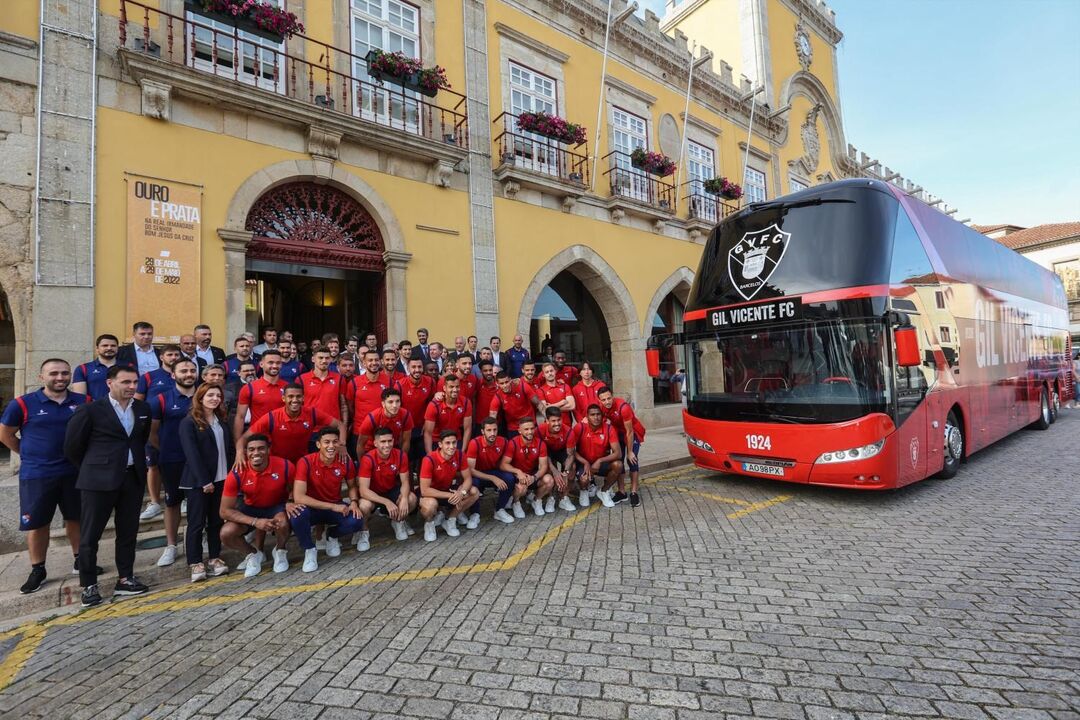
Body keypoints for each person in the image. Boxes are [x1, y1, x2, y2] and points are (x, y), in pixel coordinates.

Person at [63, 365, 152, 608]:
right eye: (126, 382)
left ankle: (125, 578)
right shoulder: (90, 410)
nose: (132, 387)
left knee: (128, 532)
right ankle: (89, 585)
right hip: (97, 481)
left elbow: (139, 440)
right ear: (110, 383)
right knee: (90, 535)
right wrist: (94, 467)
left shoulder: (143, 409)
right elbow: (72, 447)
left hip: (132, 479)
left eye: (135, 382)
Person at [0, 359, 90, 594]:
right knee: (38, 523)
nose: (60, 378)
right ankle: (38, 569)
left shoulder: (83, 402)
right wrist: (28, 454)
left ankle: (80, 560)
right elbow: (6, 435)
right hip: (38, 474)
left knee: (76, 518)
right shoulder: (22, 404)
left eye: (64, 373)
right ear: (42, 377)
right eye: (54, 374)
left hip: (74, 473)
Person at [178, 382, 234, 582]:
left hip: (221, 479)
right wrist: (204, 481)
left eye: (218, 395)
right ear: (200, 397)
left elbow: (228, 449)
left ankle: (214, 557)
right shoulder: (189, 422)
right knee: (196, 523)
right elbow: (192, 455)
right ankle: (195, 562)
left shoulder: (222, 420)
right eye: (210, 395)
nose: (215, 399)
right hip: (198, 482)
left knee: (216, 521)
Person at [290, 428, 366, 572]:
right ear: (318, 444)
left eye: (335, 442)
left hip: (335, 504)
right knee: (297, 515)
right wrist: (332, 506)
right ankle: (310, 549)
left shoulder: (345, 461)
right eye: (326, 442)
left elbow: (351, 486)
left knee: (357, 520)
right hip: (312, 507)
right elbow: (299, 497)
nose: (331, 446)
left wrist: (354, 502)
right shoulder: (305, 462)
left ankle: (331, 535)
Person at [220, 434, 294, 577]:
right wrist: (255, 521)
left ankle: (280, 550)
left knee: (283, 522)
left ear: (268, 450)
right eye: (251, 449)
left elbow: (295, 489)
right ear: (246, 452)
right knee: (226, 533)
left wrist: (290, 502)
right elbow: (224, 511)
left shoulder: (285, 466)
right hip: (251, 509)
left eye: (261, 448)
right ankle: (253, 555)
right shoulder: (237, 472)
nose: (256, 453)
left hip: (276, 506)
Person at [148, 358, 198, 568]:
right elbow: (152, 433)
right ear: (173, 374)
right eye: (184, 370)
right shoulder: (160, 400)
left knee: (200, 503)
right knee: (172, 503)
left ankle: (198, 540)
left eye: (192, 370)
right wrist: (168, 450)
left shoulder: (204, 396)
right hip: (172, 459)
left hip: (201, 461)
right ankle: (171, 545)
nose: (188, 374)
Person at [236, 384, 346, 465]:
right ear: (284, 398)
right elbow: (244, 438)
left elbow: (340, 425)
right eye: (291, 397)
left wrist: (341, 445)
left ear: (303, 398)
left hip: (302, 463)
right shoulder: (271, 417)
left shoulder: (312, 413)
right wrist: (240, 452)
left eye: (298, 397)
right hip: (278, 464)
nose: (295, 400)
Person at [357, 427, 416, 546]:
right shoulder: (368, 459)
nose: (387, 445)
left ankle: (398, 521)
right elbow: (363, 491)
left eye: (389, 441)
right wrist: (387, 502)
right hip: (373, 493)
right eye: (383, 442)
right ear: (375, 443)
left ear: (394, 441)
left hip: (390, 490)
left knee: (411, 499)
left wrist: (404, 498)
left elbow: (405, 482)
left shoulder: (400, 455)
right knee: (364, 505)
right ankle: (363, 531)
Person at [418, 431, 478, 542]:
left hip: (448, 489)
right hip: (432, 494)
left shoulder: (459, 454)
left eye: (454, 443)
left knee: (474, 491)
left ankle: (450, 519)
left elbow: (468, 478)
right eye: (448, 443)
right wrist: (452, 495)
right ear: (440, 444)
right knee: (430, 505)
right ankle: (429, 524)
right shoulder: (429, 459)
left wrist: (461, 493)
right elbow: (425, 490)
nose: (452, 446)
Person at [598, 387, 647, 507]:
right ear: (599, 400)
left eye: (609, 398)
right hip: (618, 433)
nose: (607, 401)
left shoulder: (623, 407)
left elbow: (629, 432)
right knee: (618, 461)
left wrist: (630, 451)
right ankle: (622, 492)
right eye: (603, 400)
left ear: (612, 396)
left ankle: (634, 492)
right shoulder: (601, 408)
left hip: (631, 432)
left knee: (632, 461)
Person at [568, 404, 622, 508]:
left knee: (618, 465)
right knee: (584, 480)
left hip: (601, 464)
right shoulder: (580, 427)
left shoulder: (609, 429)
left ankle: (604, 491)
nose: (596, 417)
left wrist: (600, 460)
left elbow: (618, 453)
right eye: (592, 415)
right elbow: (570, 450)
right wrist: (585, 462)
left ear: (602, 416)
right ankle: (584, 490)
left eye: (598, 414)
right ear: (587, 416)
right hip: (584, 464)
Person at [463, 417, 515, 524]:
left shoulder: (504, 442)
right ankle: (475, 513)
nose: (492, 433)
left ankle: (499, 509)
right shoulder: (474, 443)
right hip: (478, 474)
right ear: (482, 431)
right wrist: (493, 478)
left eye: (495, 430)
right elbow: (471, 470)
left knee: (510, 478)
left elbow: (506, 463)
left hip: (494, 471)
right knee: (472, 482)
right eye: (489, 430)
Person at [499, 417, 553, 518]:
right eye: (526, 429)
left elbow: (544, 466)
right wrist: (518, 472)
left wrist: (535, 477)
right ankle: (516, 502)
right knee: (521, 487)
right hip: (518, 477)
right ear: (519, 431)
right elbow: (503, 464)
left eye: (532, 428)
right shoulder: (513, 443)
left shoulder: (540, 444)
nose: (530, 432)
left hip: (532, 475)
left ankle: (537, 500)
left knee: (549, 480)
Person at [232, 349, 287, 440]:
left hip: (283, 437)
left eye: (278, 363)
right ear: (261, 364)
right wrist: (238, 444)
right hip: (258, 439)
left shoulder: (288, 387)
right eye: (270, 362)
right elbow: (240, 417)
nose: (275, 366)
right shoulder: (249, 388)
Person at [395, 357, 435, 473]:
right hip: (406, 429)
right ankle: (410, 489)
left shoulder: (430, 382)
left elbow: (431, 403)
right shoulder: (400, 385)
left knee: (424, 461)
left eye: (419, 367)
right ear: (408, 368)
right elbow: (396, 408)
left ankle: (422, 488)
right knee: (407, 461)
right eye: (413, 367)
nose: (417, 370)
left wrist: (427, 422)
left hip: (423, 428)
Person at [538, 406, 577, 513]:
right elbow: (543, 455)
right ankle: (551, 497)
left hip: (561, 450)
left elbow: (570, 455)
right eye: (553, 421)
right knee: (549, 470)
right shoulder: (540, 430)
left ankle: (563, 498)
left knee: (572, 468)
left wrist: (565, 472)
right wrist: (555, 472)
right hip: (547, 452)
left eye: (558, 420)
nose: (557, 423)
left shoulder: (569, 431)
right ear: (546, 421)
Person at [356, 387, 414, 456]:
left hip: (393, 447)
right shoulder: (372, 418)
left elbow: (406, 441)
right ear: (383, 404)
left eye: (397, 401)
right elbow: (360, 444)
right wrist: (363, 464)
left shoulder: (405, 415)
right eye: (390, 402)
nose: (395, 405)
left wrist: (401, 460)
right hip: (372, 448)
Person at [423, 374, 472, 453]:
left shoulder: (466, 402)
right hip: (437, 441)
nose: (455, 389)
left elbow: (467, 429)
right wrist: (430, 454)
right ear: (444, 388)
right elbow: (428, 433)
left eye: (457, 386)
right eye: (451, 387)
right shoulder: (434, 405)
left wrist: (462, 451)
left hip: (456, 440)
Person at [299, 348, 348, 421]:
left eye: (327, 358)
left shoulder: (339, 379)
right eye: (320, 358)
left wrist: (344, 426)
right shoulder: (301, 379)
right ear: (313, 359)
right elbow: (298, 405)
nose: (324, 361)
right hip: (310, 426)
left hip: (333, 426)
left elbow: (343, 405)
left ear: (331, 360)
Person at [72, 334, 124, 400]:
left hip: (122, 408)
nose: (109, 348)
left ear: (117, 348)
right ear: (97, 348)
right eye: (105, 345)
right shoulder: (83, 369)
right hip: (94, 409)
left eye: (113, 346)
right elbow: (80, 398)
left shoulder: (129, 367)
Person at [489, 371, 540, 438]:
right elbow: (492, 417)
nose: (505, 385)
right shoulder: (497, 397)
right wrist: (491, 433)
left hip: (530, 424)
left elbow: (538, 403)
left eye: (506, 382)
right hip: (513, 428)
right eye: (502, 383)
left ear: (510, 380)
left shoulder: (522, 386)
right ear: (497, 383)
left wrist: (548, 418)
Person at [349, 349, 392, 426]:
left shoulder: (389, 381)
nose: (374, 363)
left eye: (376, 360)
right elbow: (350, 406)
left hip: (383, 429)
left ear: (380, 362)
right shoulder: (354, 383)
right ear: (364, 363)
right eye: (370, 360)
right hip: (360, 429)